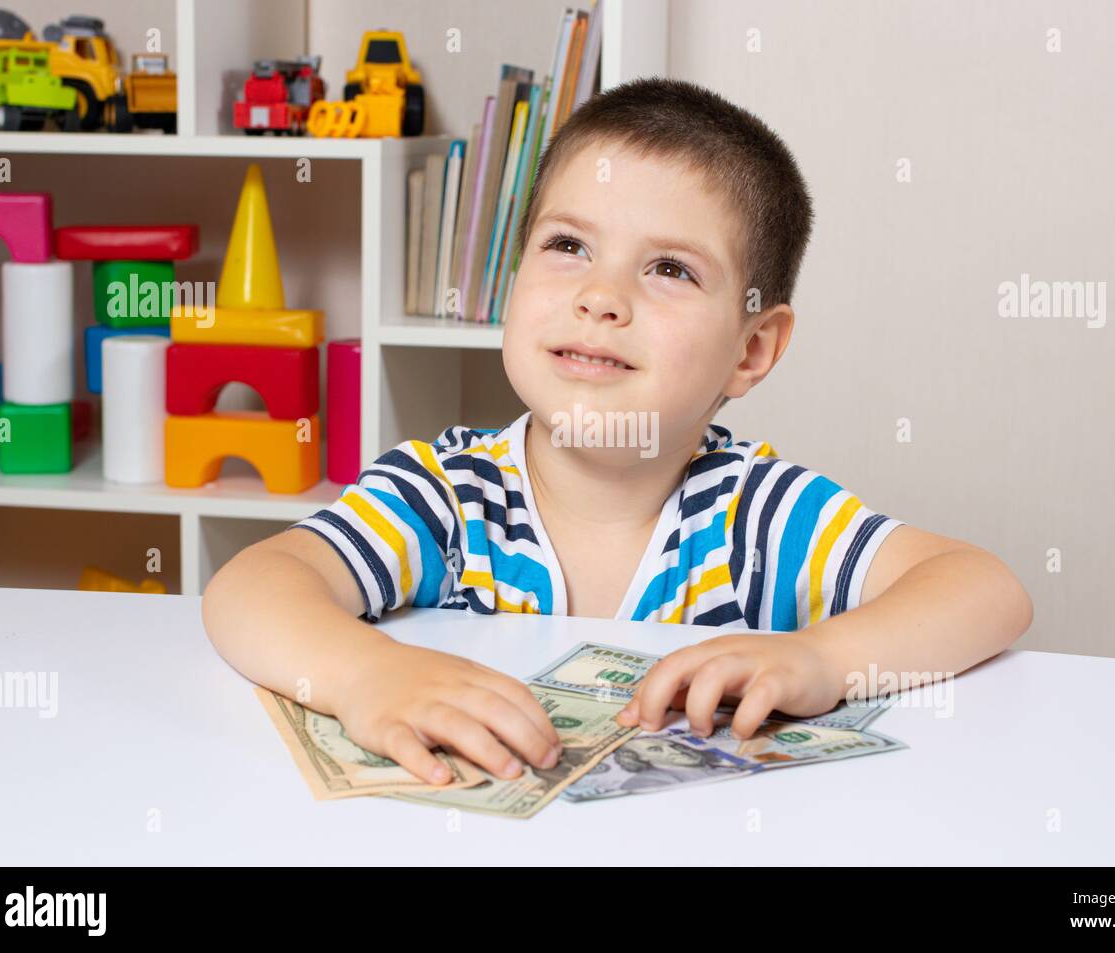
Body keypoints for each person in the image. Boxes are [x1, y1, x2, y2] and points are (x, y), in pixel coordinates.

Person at [202, 77, 1032, 787]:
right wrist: (365, 676)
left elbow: (986, 589)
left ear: (750, 349)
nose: (601, 297)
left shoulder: (760, 516)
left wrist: (820, 661)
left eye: (669, 268)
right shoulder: (446, 494)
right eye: (567, 245)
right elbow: (252, 586)